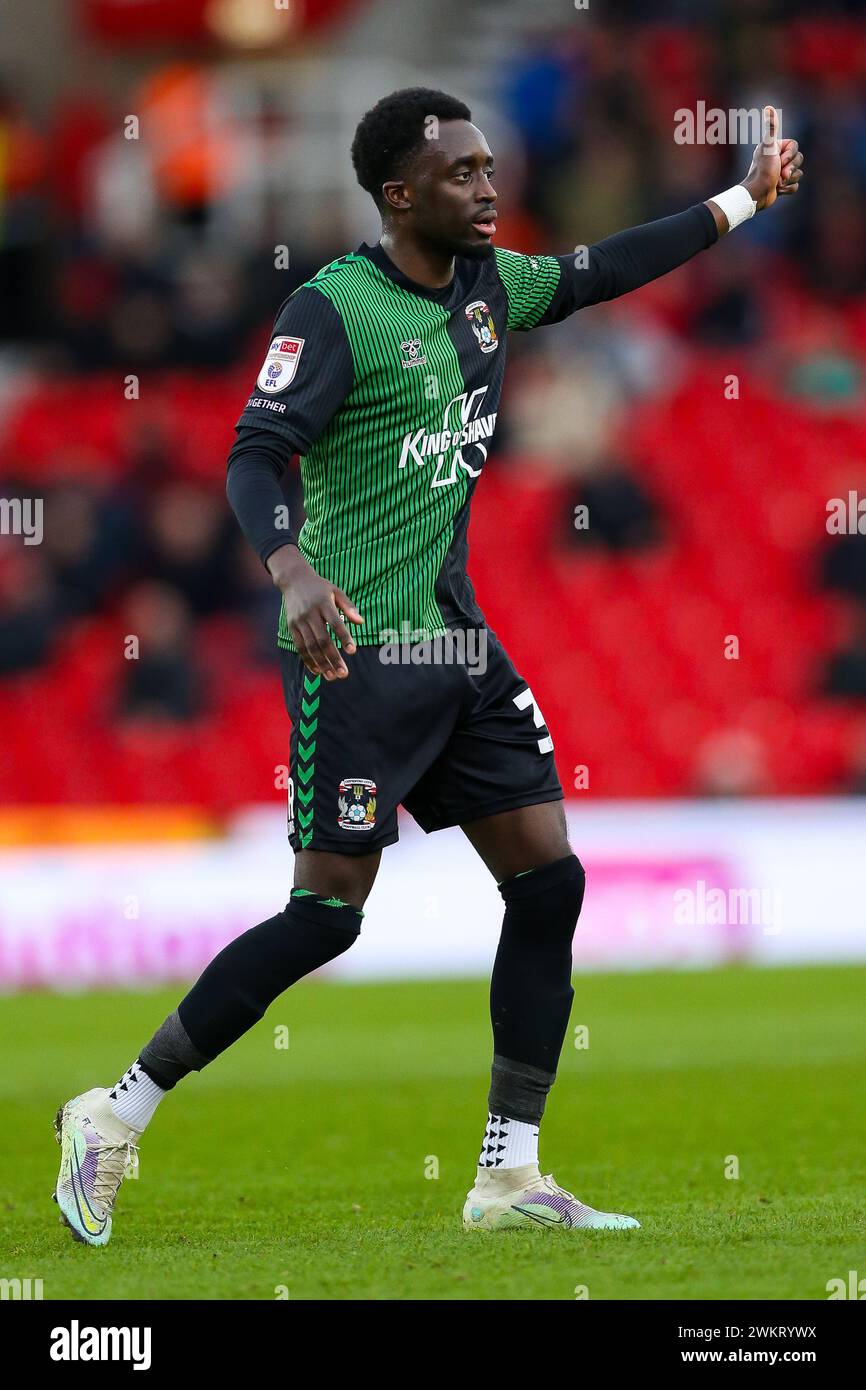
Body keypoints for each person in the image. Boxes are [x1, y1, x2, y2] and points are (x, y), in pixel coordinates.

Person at [53, 89, 804, 1244]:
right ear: (399, 194)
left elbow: (605, 267)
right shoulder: (334, 307)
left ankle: (507, 1173)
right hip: (355, 653)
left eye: (488, 167)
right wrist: (292, 572)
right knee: (325, 915)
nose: (487, 188)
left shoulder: (492, 287)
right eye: (461, 173)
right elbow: (253, 454)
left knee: (548, 882)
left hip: (457, 645)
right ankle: (113, 1112)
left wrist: (741, 198)